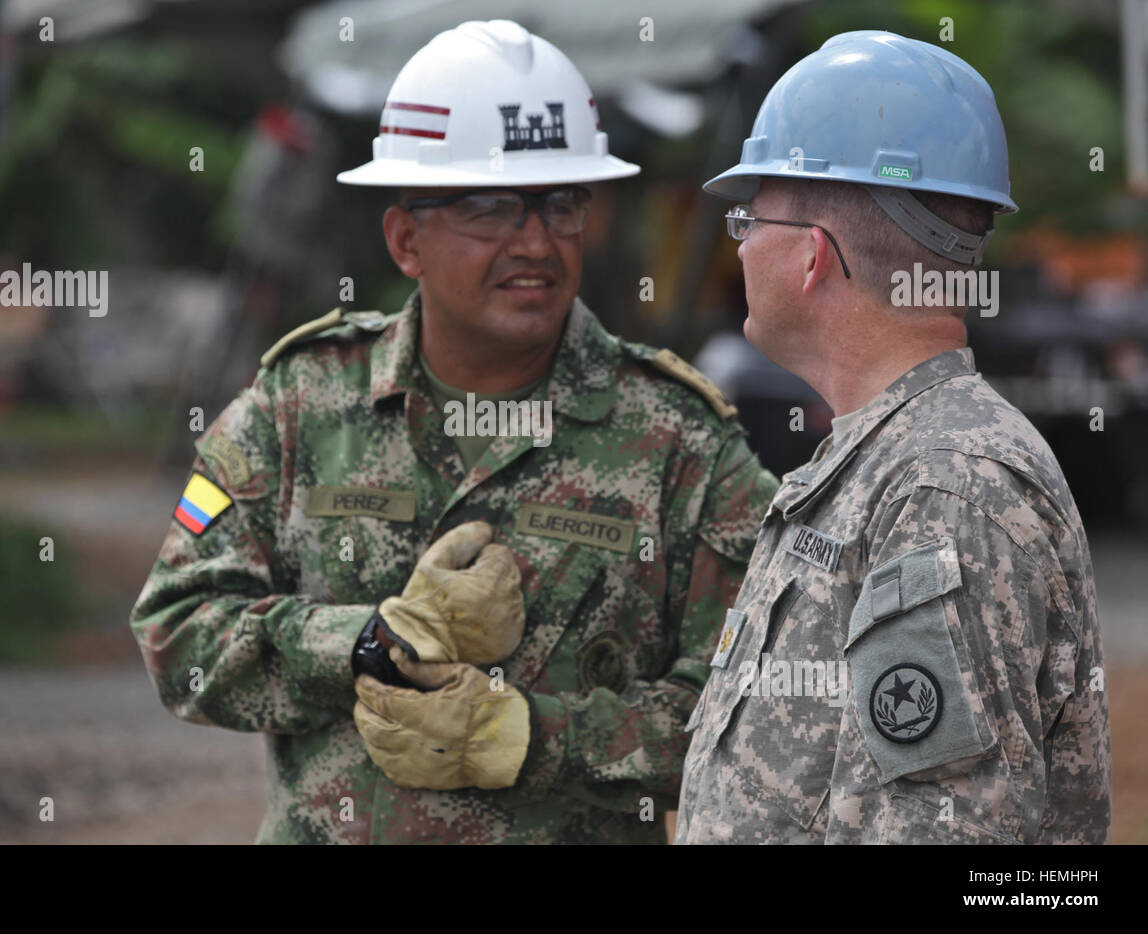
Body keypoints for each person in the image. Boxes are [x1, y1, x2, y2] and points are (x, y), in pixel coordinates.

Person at [130, 19, 777, 844]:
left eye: (561, 204)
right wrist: (363, 644)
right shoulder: (300, 405)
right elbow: (177, 631)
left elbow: (762, 704)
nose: (535, 242)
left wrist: (531, 737)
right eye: (489, 208)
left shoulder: (680, 443)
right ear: (406, 239)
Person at [675, 30, 1110, 844]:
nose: (739, 245)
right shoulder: (888, 459)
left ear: (811, 255)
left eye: (747, 218)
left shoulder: (944, 484)